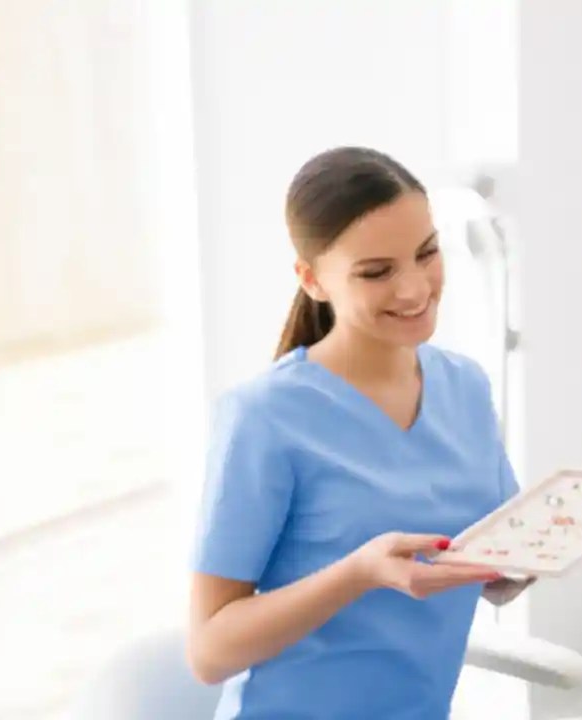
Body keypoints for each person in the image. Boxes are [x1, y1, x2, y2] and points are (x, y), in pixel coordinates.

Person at [187, 147, 528, 720]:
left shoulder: (464, 386)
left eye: (427, 253)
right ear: (312, 280)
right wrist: (358, 574)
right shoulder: (264, 417)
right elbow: (208, 652)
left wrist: (514, 566)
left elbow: (488, 555)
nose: (415, 288)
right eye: (377, 272)